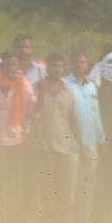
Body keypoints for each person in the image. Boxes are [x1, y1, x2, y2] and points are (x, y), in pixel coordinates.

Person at [0, 50, 36, 223]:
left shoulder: (25, 85)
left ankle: (15, 217)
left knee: (16, 177)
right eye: (8, 64)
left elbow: (31, 109)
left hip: (18, 139)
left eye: (14, 64)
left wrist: (26, 130)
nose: (11, 67)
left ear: (18, 66)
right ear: (2, 66)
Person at [30, 54, 80, 214]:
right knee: (41, 188)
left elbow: (74, 122)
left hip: (62, 149)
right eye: (54, 66)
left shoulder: (68, 92)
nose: (57, 69)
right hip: (40, 148)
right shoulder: (35, 88)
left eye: (60, 66)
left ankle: (59, 221)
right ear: (47, 67)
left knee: (62, 188)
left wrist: (80, 145)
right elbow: (28, 116)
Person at [65, 50, 106, 223]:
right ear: (71, 63)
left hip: (90, 143)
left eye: (82, 62)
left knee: (88, 183)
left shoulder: (91, 86)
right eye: (76, 61)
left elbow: (96, 114)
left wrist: (102, 139)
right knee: (70, 183)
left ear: (87, 65)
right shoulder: (65, 84)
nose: (79, 65)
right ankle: (68, 221)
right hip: (71, 143)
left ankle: (84, 221)